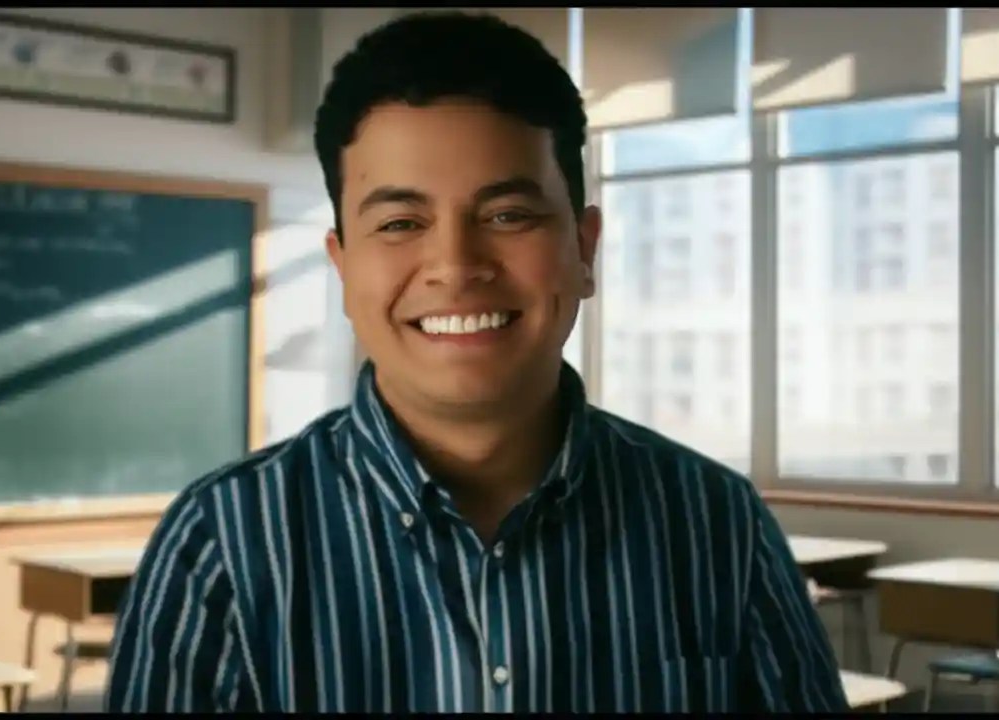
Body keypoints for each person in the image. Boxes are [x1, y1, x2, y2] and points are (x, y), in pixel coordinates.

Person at [104, 10, 849, 713]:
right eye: (401, 223)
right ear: (342, 266)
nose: (455, 266)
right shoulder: (221, 546)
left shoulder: (717, 526)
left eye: (507, 216)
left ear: (584, 249)